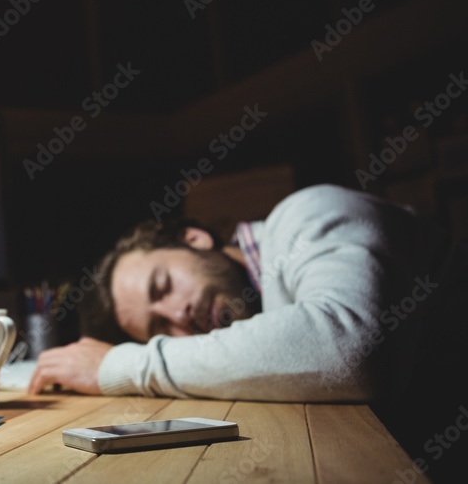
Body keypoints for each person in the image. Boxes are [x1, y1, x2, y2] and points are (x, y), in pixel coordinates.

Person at [27, 183, 466, 481]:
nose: (179, 314)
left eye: (162, 286)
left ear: (195, 239)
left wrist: (119, 365)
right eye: (159, 328)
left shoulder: (308, 212)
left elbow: (352, 349)